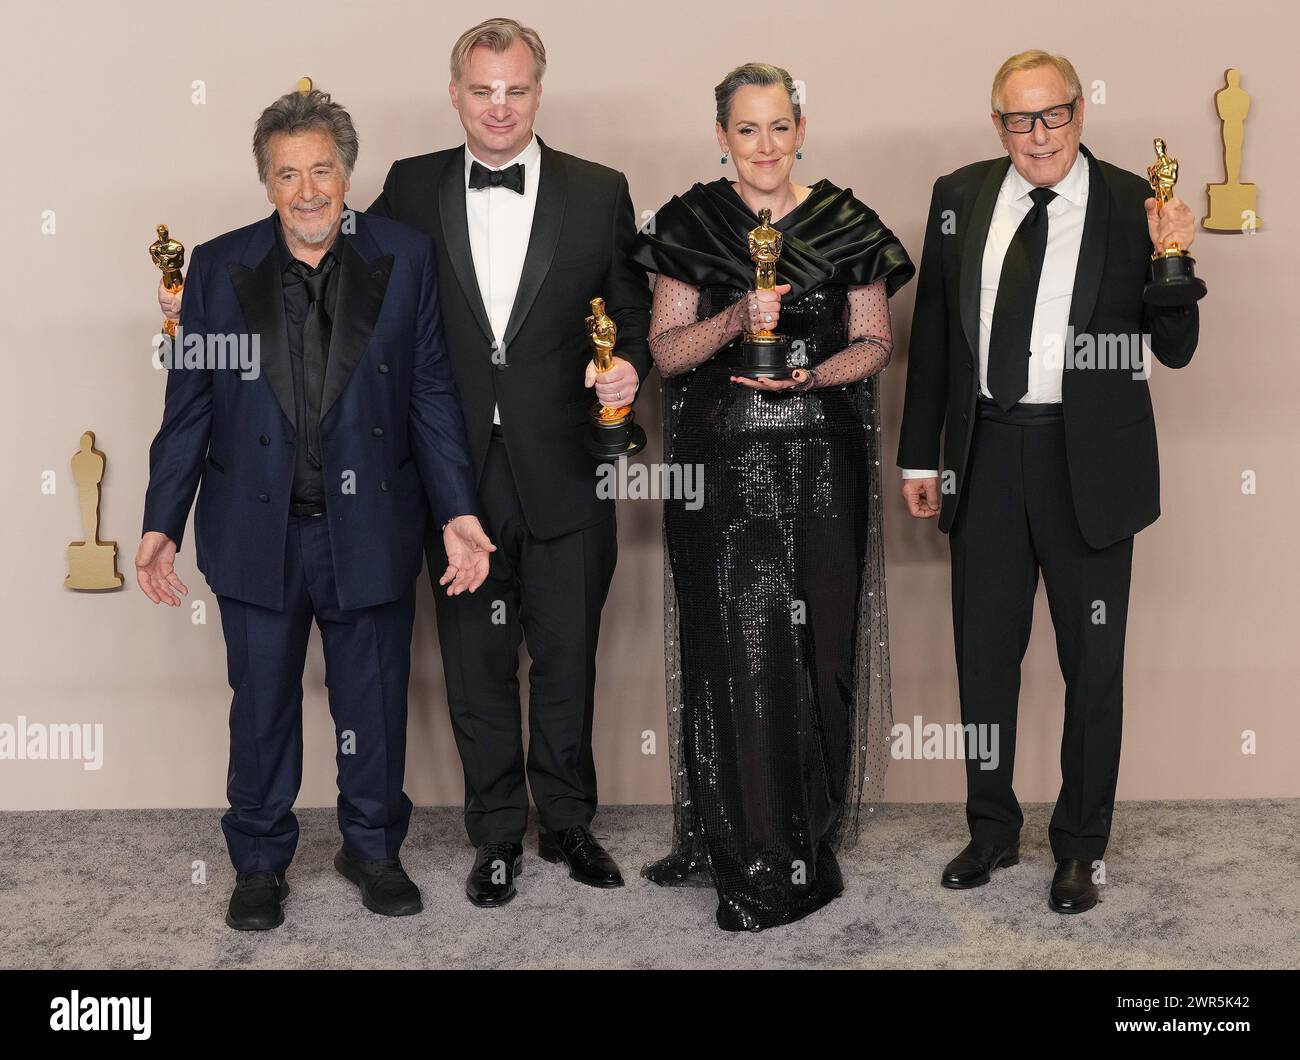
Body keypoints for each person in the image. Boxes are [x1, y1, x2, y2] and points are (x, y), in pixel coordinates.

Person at [139, 88, 493, 930]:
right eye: (287, 174)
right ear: (265, 183)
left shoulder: (402, 257)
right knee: (259, 702)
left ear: (347, 174)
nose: (307, 191)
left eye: (322, 171)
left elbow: (433, 393)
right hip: (254, 527)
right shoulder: (220, 269)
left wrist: (457, 510)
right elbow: (188, 405)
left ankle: (371, 847)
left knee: (370, 701)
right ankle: (259, 860)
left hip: (368, 522)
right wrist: (160, 523)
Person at [897, 50, 1200, 914]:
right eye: (1020, 120)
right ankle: (990, 831)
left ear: (1079, 113)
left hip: (1089, 465)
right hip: (987, 454)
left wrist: (1172, 260)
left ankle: (1080, 847)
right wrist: (924, 456)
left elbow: (1174, 348)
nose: (1040, 136)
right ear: (998, 124)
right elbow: (936, 347)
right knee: (984, 660)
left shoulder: (1130, 200)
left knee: (1091, 667)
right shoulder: (959, 196)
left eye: (1054, 115)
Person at [632, 63, 914, 931]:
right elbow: (667, 354)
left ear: (801, 129)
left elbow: (874, 342)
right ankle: (748, 847)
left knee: (815, 648)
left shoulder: (846, 222)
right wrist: (735, 320)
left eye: (779, 127)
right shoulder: (688, 223)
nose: (764, 146)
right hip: (719, 475)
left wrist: (807, 374)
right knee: (738, 650)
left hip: (823, 468)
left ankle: (805, 828)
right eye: (746, 130)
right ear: (721, 135)